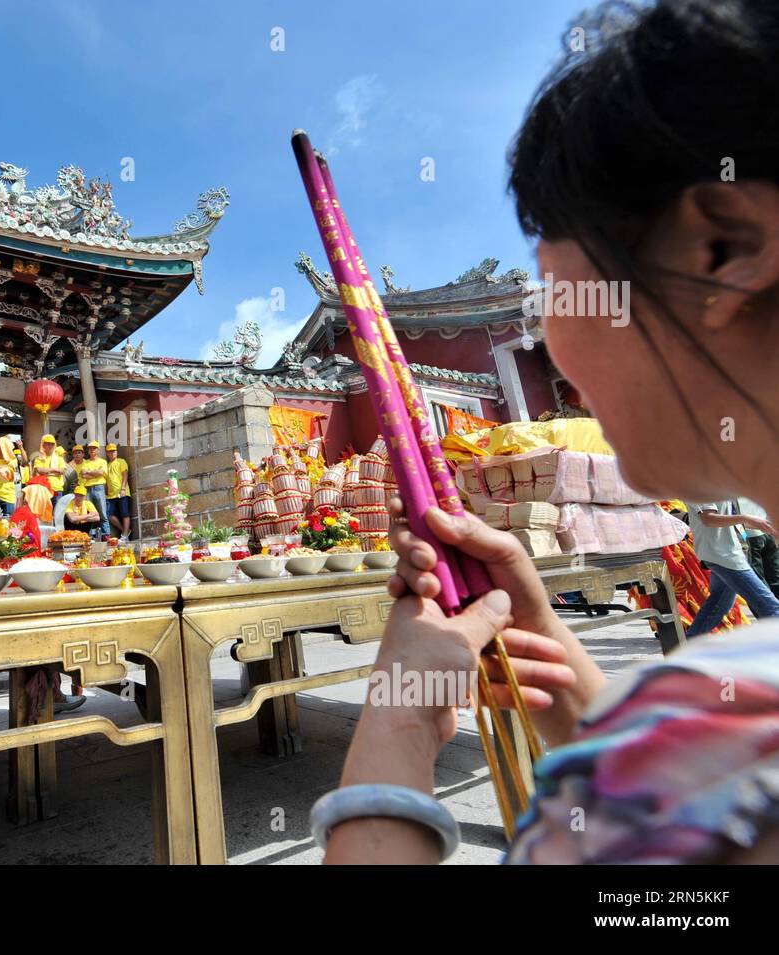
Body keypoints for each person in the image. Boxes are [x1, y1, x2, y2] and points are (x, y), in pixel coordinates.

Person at [318, 0, 779, 865]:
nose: (552, 335)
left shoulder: (729, 746)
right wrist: (561, 666)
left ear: (723, 246)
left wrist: (402, 720)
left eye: (553, 286)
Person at [684, 501, 779, 637]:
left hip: (727, 554)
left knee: (717, 606)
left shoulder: (722, 485)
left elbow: (731, 520)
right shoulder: (702, 485)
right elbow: (708, 519)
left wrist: (764, 525)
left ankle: (688, 647)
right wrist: (746, 518)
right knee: (770, 606)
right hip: (724, 556)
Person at [739, 498, 779, 600]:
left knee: (757, 582)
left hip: (750, 535)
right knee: (774, 578)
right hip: (769, 532)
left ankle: (772, 613)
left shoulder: (730, 490)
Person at [78, 440, 110, 540]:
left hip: (99, 487)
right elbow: (83, 474)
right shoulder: (85, 462)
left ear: (98, 450)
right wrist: (94, 473)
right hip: (87, 489)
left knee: (102, 513)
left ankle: (106, 535)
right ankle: (89, 536)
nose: (92, 450)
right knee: (88, 513)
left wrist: (89, 473)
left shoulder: (103, 461)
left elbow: (101, 473)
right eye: (90, 448)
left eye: (94, 448)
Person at [105, 443, 133, 540]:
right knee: (109, 515)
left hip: (123, 493)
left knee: (125, 513)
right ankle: (125, 531)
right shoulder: (107, 466)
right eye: (110, 451)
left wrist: (123, 488)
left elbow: (125, 475)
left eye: (114, 451)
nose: (112, 453)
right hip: (111, 496)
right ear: (107, 453)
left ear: (116, 452)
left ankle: (124, 535)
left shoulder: (121, 461)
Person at [30, 434, 64, 506]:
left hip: (57, 489)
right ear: (43, 445)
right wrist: (54, 469)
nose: (50, 446)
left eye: (52, 444)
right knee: (45, 514)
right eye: (48, 444)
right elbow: (39, 470)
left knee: (57, 514)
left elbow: (62, 471)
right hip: (44, 489)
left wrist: (46, 471)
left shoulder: (59, 458)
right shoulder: (39, 458)